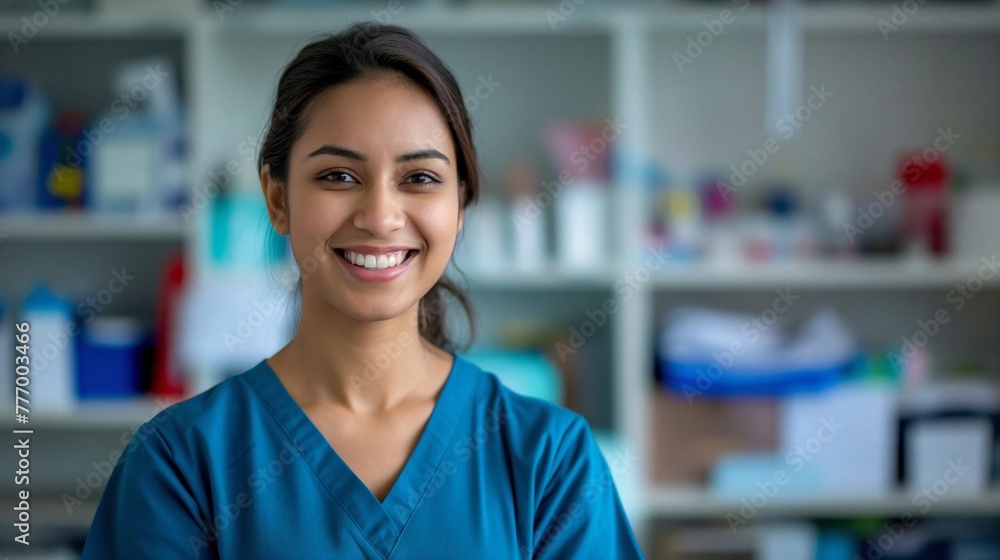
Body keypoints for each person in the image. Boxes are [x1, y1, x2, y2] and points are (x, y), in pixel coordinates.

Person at [81, 21, 644, 559]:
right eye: (338, 176)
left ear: (461, 205)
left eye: (419, 178)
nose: (380, 216)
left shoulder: (550, 459)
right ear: (278, 199)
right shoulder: (180, 461)